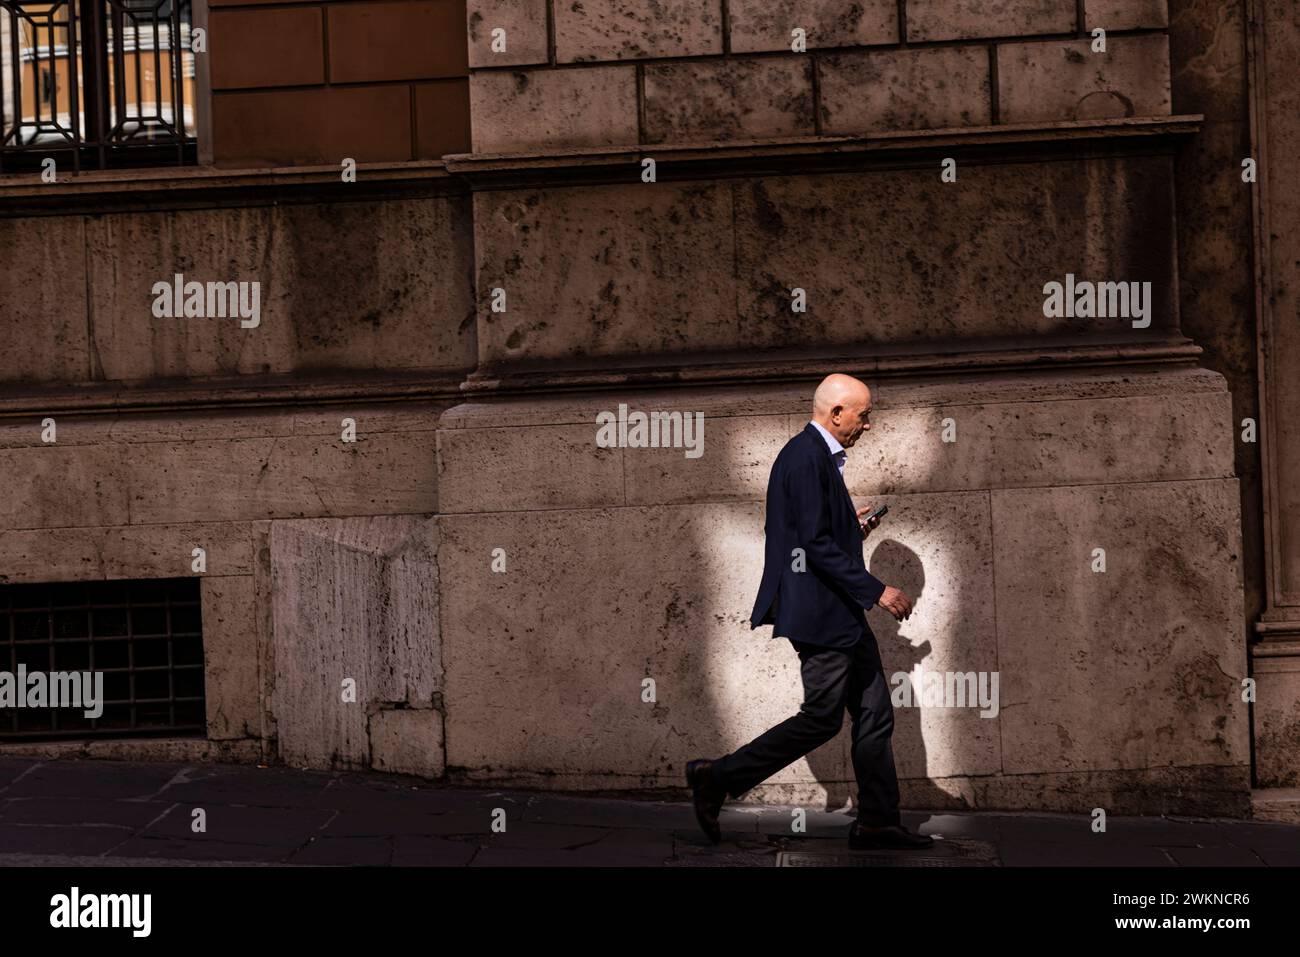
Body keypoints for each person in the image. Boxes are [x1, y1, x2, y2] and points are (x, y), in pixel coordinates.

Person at [686, 373, 933, 850]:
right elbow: (813, 545)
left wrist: (850, 528)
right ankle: (717, 777)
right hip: (822, 615)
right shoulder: (804, 458)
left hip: (839, 613)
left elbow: (816, 534)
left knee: (875, 711)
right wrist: (876, 589)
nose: (868, 425)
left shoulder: (817, 457)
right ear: (836, 413)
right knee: (821, 718)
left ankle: (879, 821)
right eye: (863, 415)